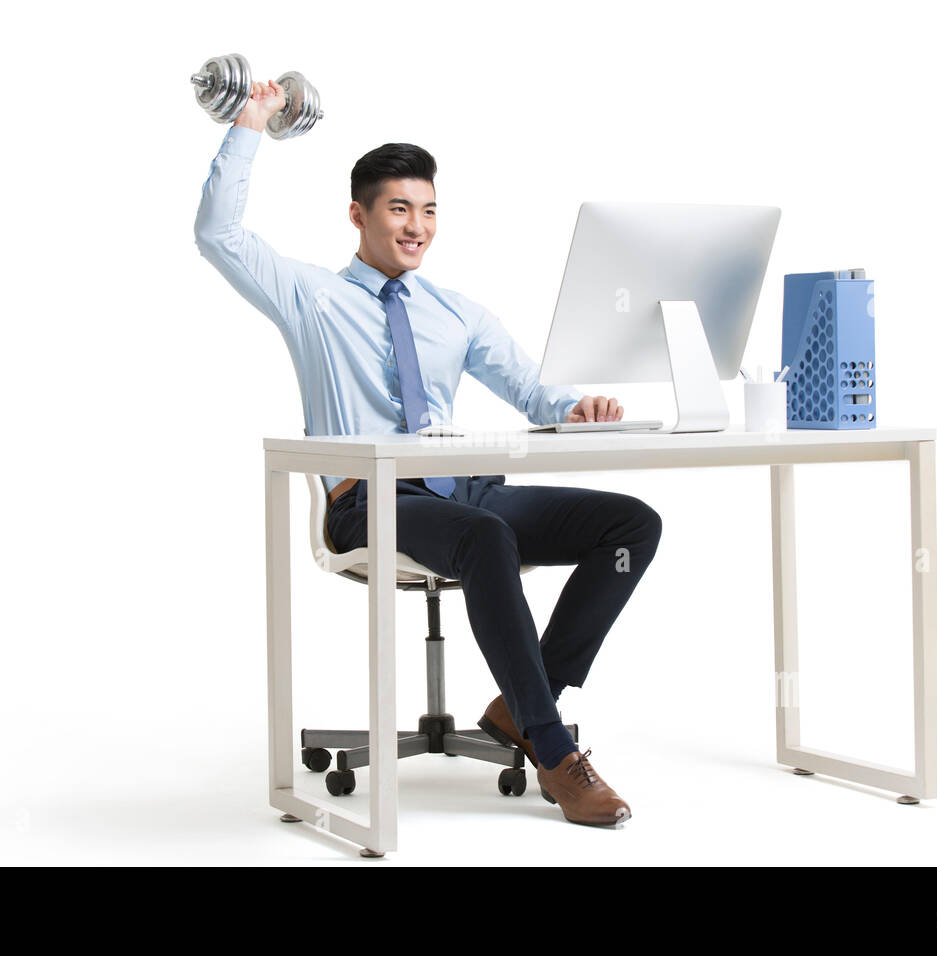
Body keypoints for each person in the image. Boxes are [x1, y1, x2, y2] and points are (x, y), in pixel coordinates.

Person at [194, 79, 662, 827]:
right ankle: (554, 749)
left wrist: (577, 407)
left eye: (429, 210)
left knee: (630, 525)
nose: (418, 226)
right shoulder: (311, 297)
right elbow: (219, 234)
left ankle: (519, 704)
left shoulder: (453, 311)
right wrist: (251, 121)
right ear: (359, 215)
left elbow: (532, 390)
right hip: (373, 503)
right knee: (488, 538)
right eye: (399, 209)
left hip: (467, 493)